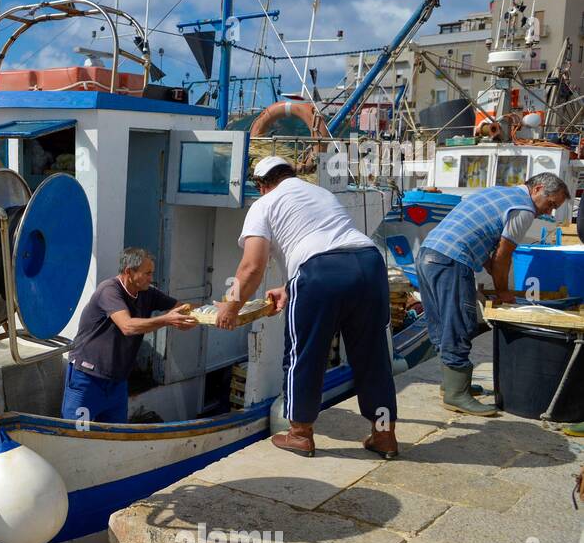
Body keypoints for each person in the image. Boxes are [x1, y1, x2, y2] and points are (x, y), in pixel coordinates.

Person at [217, 156, 398, 459]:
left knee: (304, 355)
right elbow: (335, 245)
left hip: (319, 273)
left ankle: (300, 434)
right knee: (373, 358)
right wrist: (290, 288)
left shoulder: (265, 203)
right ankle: (384, 435)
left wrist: (230, 304)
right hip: (369, 264)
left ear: (262, 185)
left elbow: (251, 266)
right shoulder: (320, 193)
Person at [416, 172, 569, 416]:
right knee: (459, 324)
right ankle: (457, 394)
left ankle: (452, 385)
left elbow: (487, 247)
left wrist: (495, 277)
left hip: (429, 254)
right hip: (451, 260)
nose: (549, 212)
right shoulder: (524, 209)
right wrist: (503, 292)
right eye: (550, 204)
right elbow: (503, 256)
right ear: (538, 189)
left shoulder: (499, 192)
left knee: (441, 324)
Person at [61, 247, 197, 424]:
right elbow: (127, 326)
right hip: (87, 378)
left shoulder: (148, 293)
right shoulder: (109, 291)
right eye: (147, 273)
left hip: (117, 382)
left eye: (152, 273)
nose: (151, 278)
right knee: (77, 433)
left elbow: (182, 307)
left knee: (116, 436)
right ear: (129, 272)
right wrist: (168, 320)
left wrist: (212, 314)